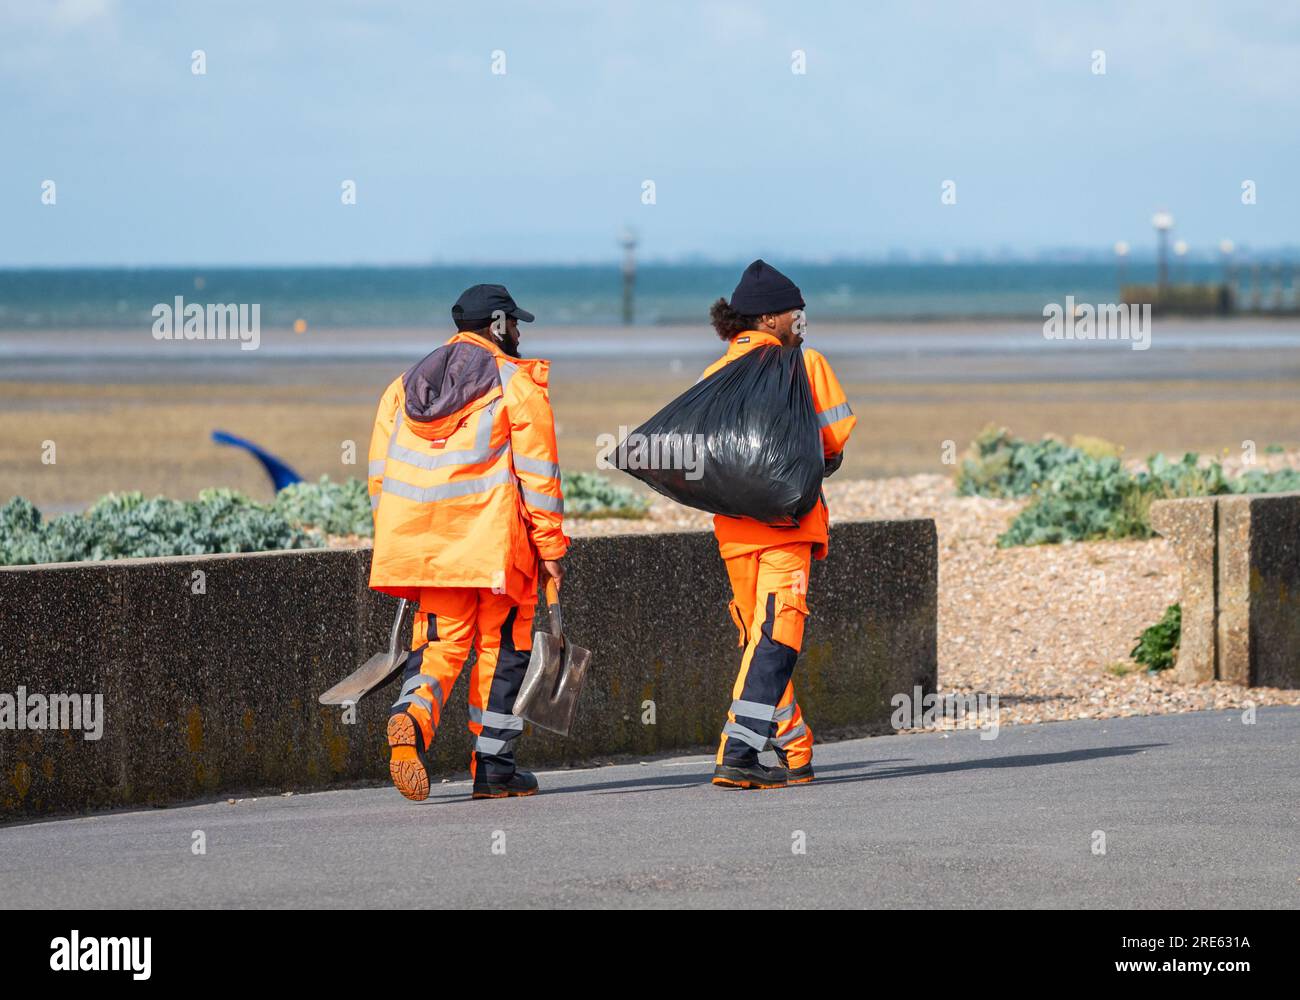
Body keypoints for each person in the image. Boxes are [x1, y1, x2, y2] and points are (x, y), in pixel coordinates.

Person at [367, 284, 567, 801]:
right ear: (498, 325)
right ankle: (494, 769)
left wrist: (403, 545)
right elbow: (540, 477)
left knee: (437, 645)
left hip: (429, 552)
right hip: (498, 551)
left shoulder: (403, 386)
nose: (520, 334)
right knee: (503, 651)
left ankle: (410, 716)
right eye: (515, 324)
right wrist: (550, 550)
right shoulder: (514, 384)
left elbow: (379, 477)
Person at [702, 260, 856, 790]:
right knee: (778, 638)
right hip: (787, 527)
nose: (802, 320)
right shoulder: (805, 364)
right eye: (796, 312)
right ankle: (738, 752)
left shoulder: (714, 375)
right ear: (771, 318)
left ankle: (794, 748)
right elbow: (834, 440)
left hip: (734, 532)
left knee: (760, 642)